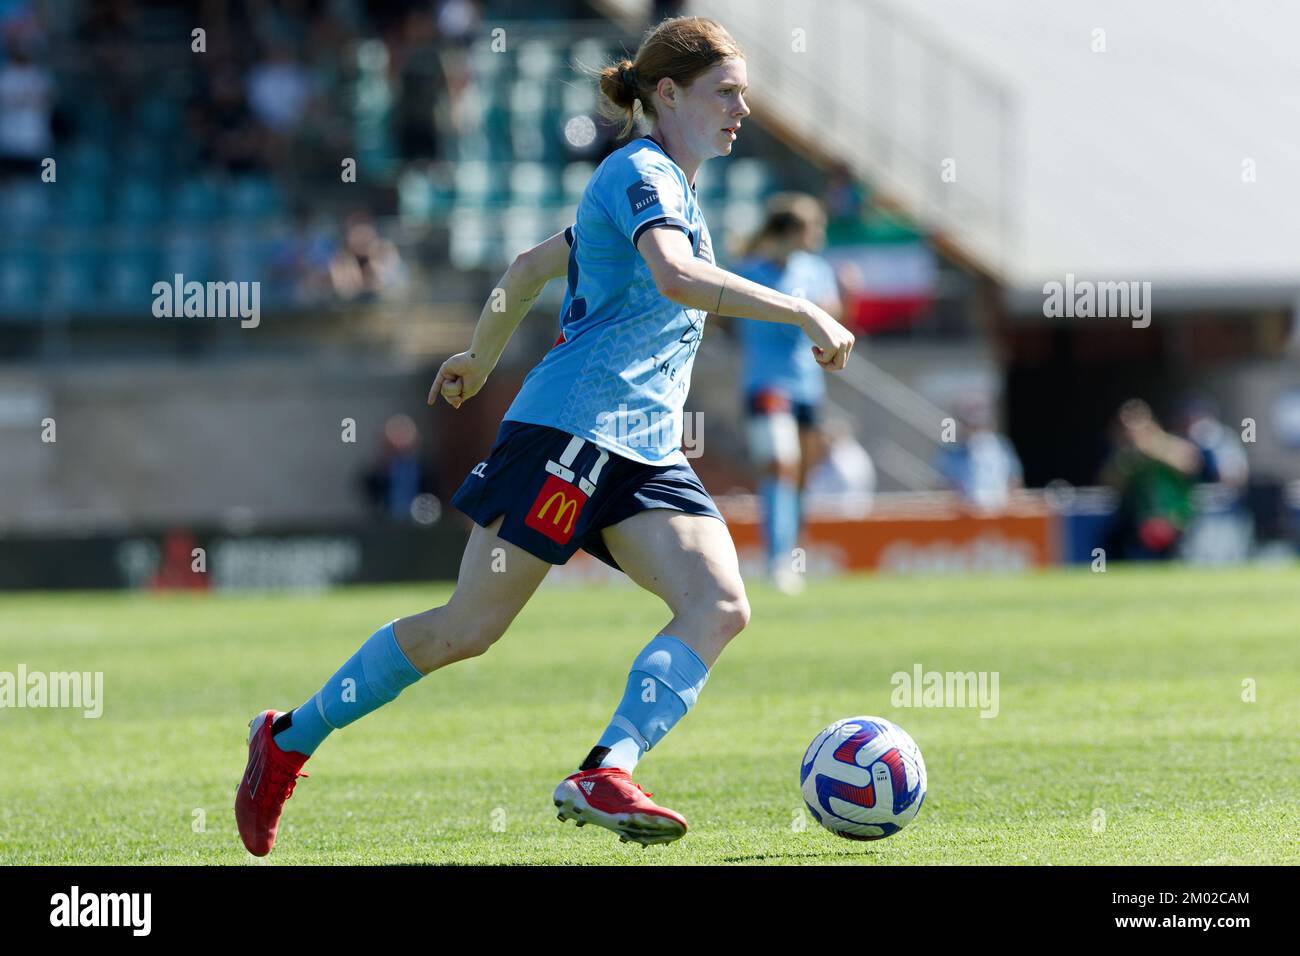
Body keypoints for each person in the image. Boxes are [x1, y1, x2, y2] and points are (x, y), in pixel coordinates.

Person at [235, 16, 854, 855]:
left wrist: (478, 355)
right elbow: (674, 277)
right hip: (572, 432)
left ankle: (607, 769)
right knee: (467, 631)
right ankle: (286, 740)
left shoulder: (668, 182)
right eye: (727, 92)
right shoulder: (641, 172)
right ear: (667, 93)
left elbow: (530, 268)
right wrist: (800, 305)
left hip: (641, 450)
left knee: (718, 604)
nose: (743, 108)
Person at [732, 193, 842, 593]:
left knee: (800, 477)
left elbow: (832, 321)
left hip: (807, 385)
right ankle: (776, 558)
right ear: (792, 231)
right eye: (814, 226)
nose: (821, 234)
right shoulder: (748, 272)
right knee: (781, 462)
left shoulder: (818, 271)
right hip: (765, 384)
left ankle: (793, 554)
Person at [1100, 398, 1203, 560]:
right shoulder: (1127, 457)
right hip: (1143, 523)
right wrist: (1123, 459)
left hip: (1175, 518)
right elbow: (1109, 483)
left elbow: (1191, 463)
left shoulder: (1168, 444)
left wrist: (1152, 451)